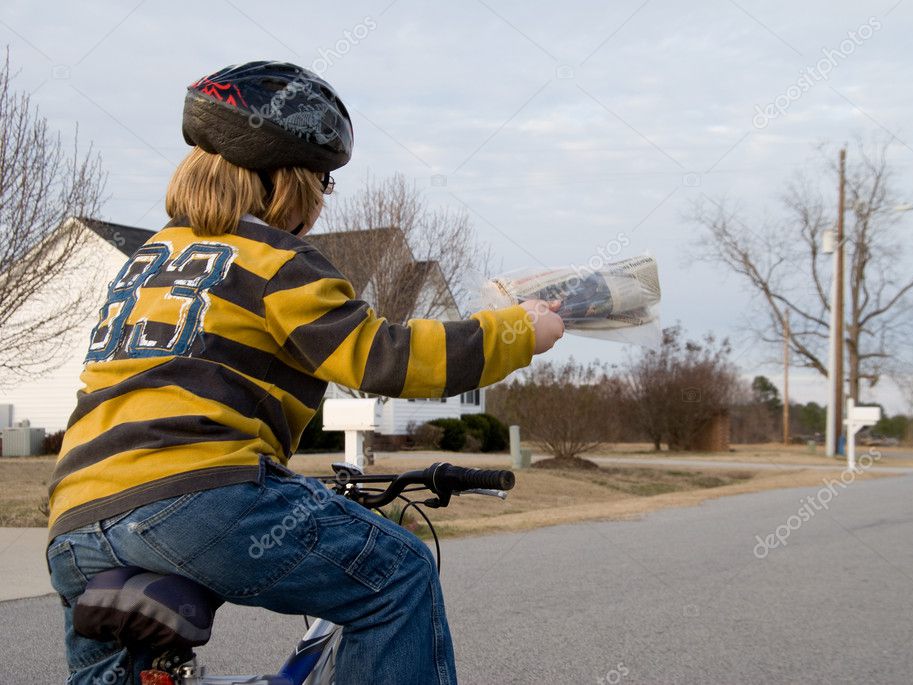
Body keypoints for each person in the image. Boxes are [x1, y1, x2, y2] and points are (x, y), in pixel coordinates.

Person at [46, 61, 564, 685]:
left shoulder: (148, 262)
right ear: (286, 180)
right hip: (198, 496)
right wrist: (517, 331)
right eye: (323, 182)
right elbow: (382, 356)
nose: (321, 200)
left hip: (75, 520)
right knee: (398, 576)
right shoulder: (275, 260)